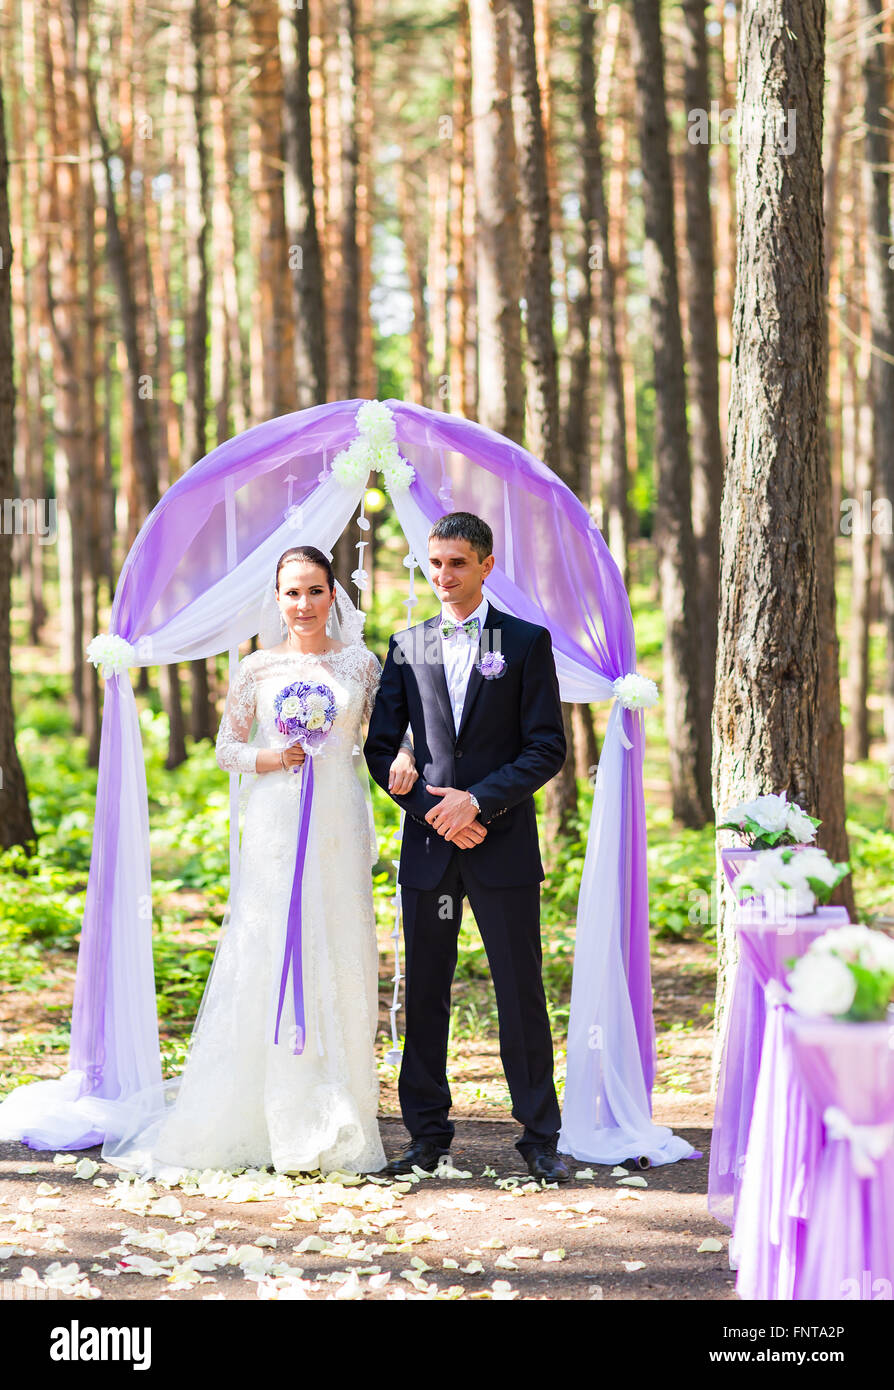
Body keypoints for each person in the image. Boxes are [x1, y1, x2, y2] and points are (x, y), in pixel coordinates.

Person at [103, 546, 416, 1178]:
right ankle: (265, 1112)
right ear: (276, 598)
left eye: (315, 591)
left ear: (334, 595)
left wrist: (406, 753)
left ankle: (337, 1103)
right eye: (291, 593)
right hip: (276, 817)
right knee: (270, 944)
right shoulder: (256, 668)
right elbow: (226, 748)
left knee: (338, 944)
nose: (302, 605)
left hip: (338, 816)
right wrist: (274, 759)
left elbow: (391, 729)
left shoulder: (360, 663)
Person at [364, 512, 570, 1182]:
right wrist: (434, 811)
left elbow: (546, 748)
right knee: (424, 992)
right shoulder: (408, 645)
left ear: (485, 564)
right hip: (430, 848)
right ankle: (426, 1136)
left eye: (457, 562)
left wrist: (477, 801)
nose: (443, 575)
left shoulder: (526, 641)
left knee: (519, 989)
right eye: (434, 563)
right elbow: (381, 749)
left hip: (501, 841)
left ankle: (540, 1136)